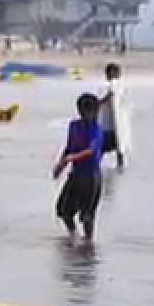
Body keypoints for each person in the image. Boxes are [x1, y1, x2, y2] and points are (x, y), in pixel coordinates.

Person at [53, 94, 105, 243]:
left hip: (91, 177)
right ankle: (74, 236)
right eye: (82, 111)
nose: (85, 114)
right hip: (75, 175)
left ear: (95, 111)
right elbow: (69, 147)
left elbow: (91, 150)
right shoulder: (74, 126)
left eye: (88, 111)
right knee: (63, 210)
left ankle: (89, 242)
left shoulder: (96, 129)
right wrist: (61, 164)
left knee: (87, 215)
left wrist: (72, 158)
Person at [96, 63, 126, 170]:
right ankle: (119, 168)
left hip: (112, 124)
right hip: (110, 124)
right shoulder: (109, 85)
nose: (119, 75)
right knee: (109, 148)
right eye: (118, 72)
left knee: (114, 147)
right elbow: (103, 99)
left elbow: (113, 97)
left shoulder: (115, 85)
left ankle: (119, 168)